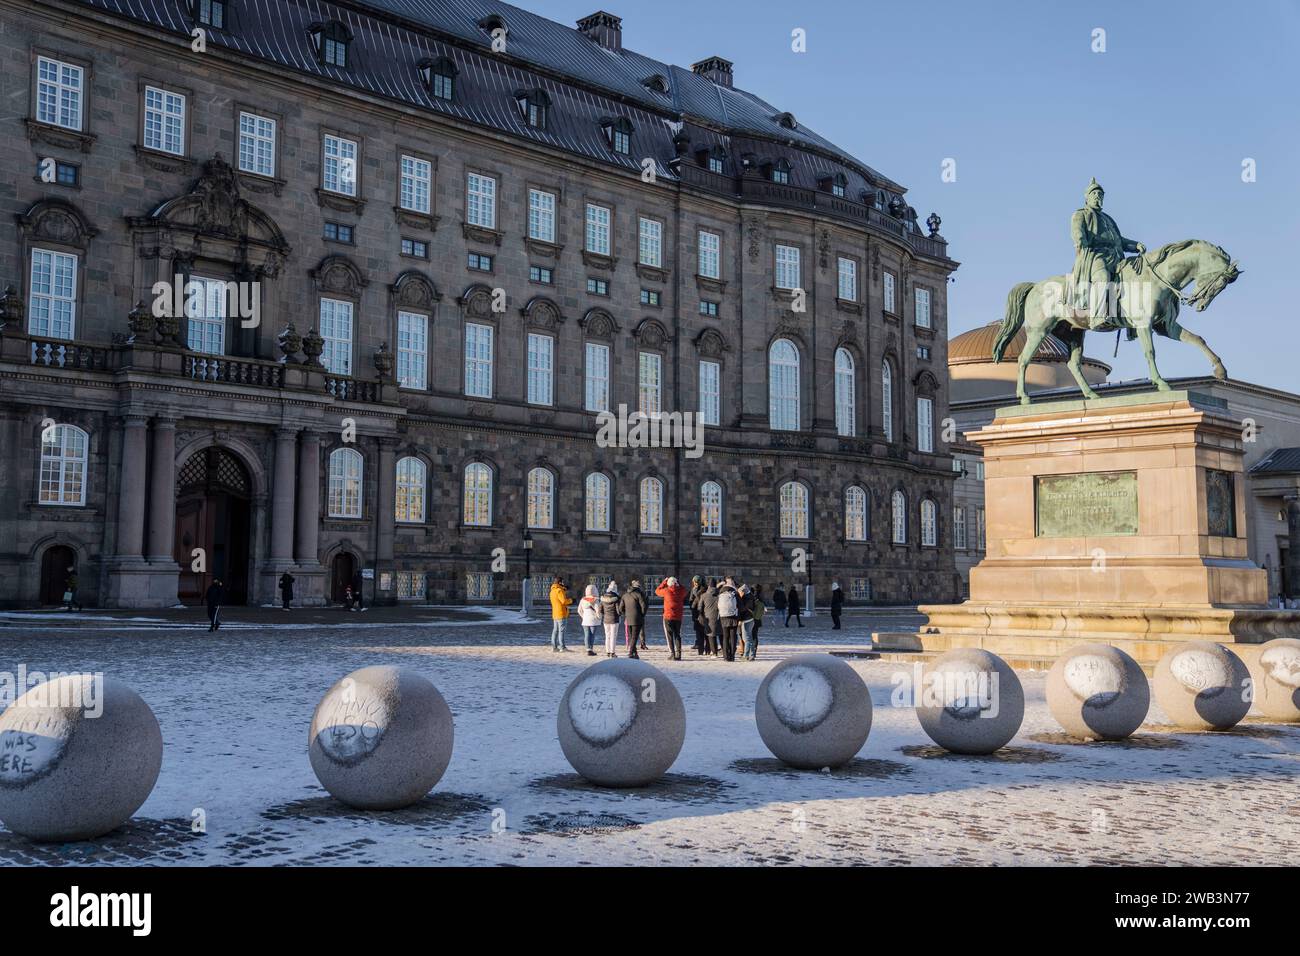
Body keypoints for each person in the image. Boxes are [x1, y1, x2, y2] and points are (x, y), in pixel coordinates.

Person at [1070, 177, 1144, 331]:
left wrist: (1135, 245)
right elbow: (1077, 231)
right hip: (1095, 256)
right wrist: (1080, 240)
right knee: (1102, 278)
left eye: (1100, 195)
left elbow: (1120, 241)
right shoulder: (1080, 214)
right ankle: (1097, 317)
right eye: (1095, 194)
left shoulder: (1108, 219)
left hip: (1116, 258)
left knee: (1134, 279)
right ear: (1087, 197)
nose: (1098, 197)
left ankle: (1132, 323)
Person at [656, 576, 687, 661]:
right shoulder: (680, 591)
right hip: (678, 616)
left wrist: (664, 582)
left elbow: (657, 591)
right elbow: (684, 590)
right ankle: (679, 653)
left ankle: (672, 654)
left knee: (669, 635)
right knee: (677, 635)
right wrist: (678, 583)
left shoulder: (666, 591)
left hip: (668, 616)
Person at [621, 579, 648, 658]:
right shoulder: (639, 595)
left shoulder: (625, 595)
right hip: (637, 619)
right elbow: (644, 606)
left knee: (632, 636)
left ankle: (635, 653)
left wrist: (625, 614)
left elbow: (620, 608)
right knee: (634, 637)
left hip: (628, 619)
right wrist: (642, 615)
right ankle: (630, 653)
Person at [716, 578, 739, 662]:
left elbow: (716, 606)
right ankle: (732, 656)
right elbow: (740, 606)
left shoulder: (720, 592)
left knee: (725, 637)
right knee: (733, 637)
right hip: (733, 617)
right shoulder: (734, 593)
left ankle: (726, 656)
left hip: (723, 617)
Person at [548, 576, 572, 652]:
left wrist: (564, 589)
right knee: (561, 631)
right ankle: (562, 647)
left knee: (555, 630)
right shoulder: (559, 590)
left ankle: (554, 647)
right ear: (560, 582)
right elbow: (563, 601)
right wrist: (571, 600)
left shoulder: (553, 590)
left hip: (555, 613)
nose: (564, 583)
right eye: (563, 582)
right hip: (561, 613)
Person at [578, 584, 601, 656]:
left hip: (585, 620)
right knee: (592, 635)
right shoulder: (595, 600)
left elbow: (579, 610)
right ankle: (591, 649)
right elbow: (597, 611)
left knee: (586, 635)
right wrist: (599, 617)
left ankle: (588, 649)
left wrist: (583, 617)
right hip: (593, 621)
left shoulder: (583, 600)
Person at [600, 581, 622, 657]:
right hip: (614, 619)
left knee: (607, 636)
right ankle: (612, 652)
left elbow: (600, 610)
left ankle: (608, 651)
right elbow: (618, 611)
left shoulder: (603, 598)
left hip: (606, 620)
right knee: (613, 636)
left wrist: (605, 614)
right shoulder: (616, 598)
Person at [687, 576, 708, 655]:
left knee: (702, 632)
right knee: (702, 633)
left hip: (701, 613)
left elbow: (692, 601)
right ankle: (703, 649)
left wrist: (693, 606)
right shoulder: (696, 589)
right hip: (700, 613)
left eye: (695, 582)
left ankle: (704, 649)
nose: (694, 583)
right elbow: (690, 601)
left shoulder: (702, 590)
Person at [701, 578, 721, 656]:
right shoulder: (720, 595)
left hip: (708, 618)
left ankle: (714, 652)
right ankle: (724, 650)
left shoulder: (704, 595)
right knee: (721, 635)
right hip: (719, 617)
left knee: (711, 636)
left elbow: (700, 607)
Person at [746, 585, 765, 661]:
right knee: (755, 635)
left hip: (752, 619)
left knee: (751, 636)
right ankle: (754, 651)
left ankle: (752, 652)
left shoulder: (755, 598)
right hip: (758, 619)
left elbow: (753, 609)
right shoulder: (761, 598)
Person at [736, 584, 754, 659]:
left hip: (746, 620)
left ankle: (746, 655)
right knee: (749, 637)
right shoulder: (751, 597)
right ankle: (752, 654)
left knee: (745, 638)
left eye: (740, 592)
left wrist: (739, 619)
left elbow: (742, 610)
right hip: (750, 619)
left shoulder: (745, 598)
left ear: (743, 592)